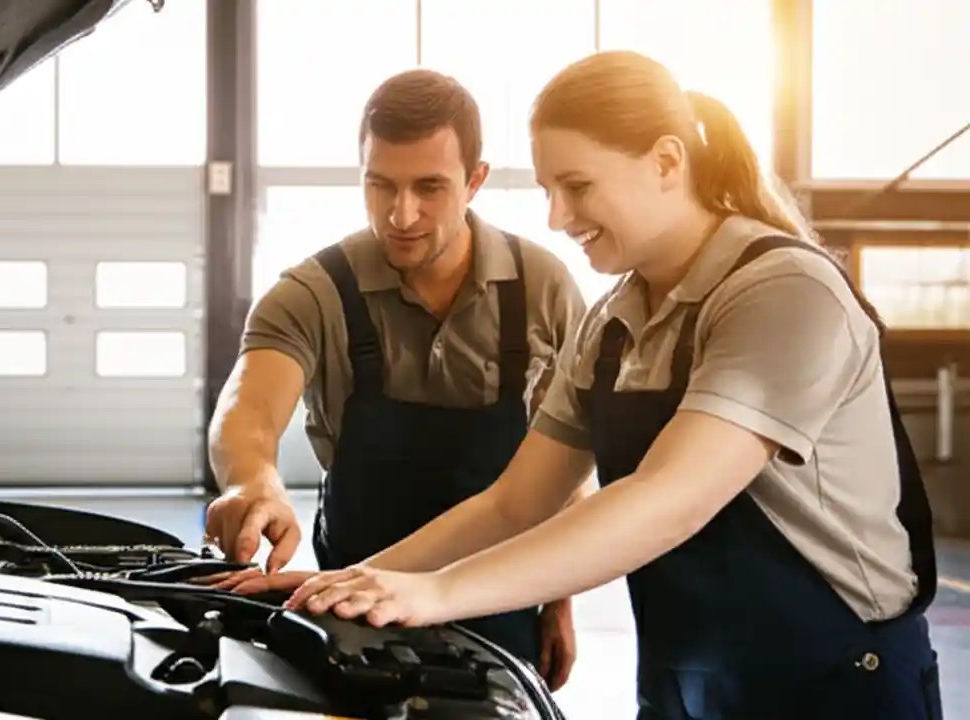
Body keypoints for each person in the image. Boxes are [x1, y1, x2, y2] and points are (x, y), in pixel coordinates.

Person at [268, 50, 943, 719]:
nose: (557, 218)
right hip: (689, 679)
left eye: (578, 186)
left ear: (667, 163)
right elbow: (515, 503)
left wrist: (436, 595)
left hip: (835, 683)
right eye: (547, 190)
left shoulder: (784, 293)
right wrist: (359, 579)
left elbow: (669, 499)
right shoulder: (612, 325)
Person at [203, 68, 588, 685]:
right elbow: (248, 404)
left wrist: (559, 601)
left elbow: (568, 457)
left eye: (429, 187)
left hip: (497, 593)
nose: (401, 214)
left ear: (475, 181)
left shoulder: (543, 288)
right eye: (380, 186)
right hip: (348, 597)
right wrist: (254, 483)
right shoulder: (314, 291)